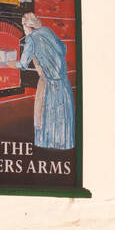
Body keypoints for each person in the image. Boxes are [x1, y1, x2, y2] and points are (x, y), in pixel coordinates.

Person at [19, 10, 75, 150]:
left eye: (23, 26)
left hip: (48, 84)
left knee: (45, 116)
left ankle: (47, 146)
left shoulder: (31, 39)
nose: (23, 29)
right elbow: (63, 47)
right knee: (61, 118)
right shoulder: (47, 31)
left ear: (27, 26)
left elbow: (22, 64)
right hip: (63, 83)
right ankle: (62, 145)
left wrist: (5, 62)